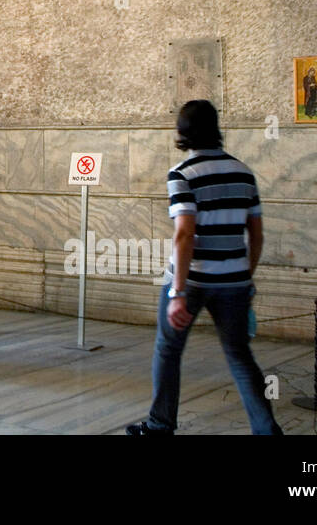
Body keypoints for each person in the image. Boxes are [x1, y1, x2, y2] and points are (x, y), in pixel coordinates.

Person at [127, 100, 281, 435]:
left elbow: (185, 234)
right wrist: (245, 276)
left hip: (192, 279)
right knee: (240, 356)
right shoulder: (243, 172)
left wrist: (178, 291)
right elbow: (256, 233)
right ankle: (267, 430)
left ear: (182, 133)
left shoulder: (183, 174)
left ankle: (160, 425)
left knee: (168, 350)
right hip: (235, 281)